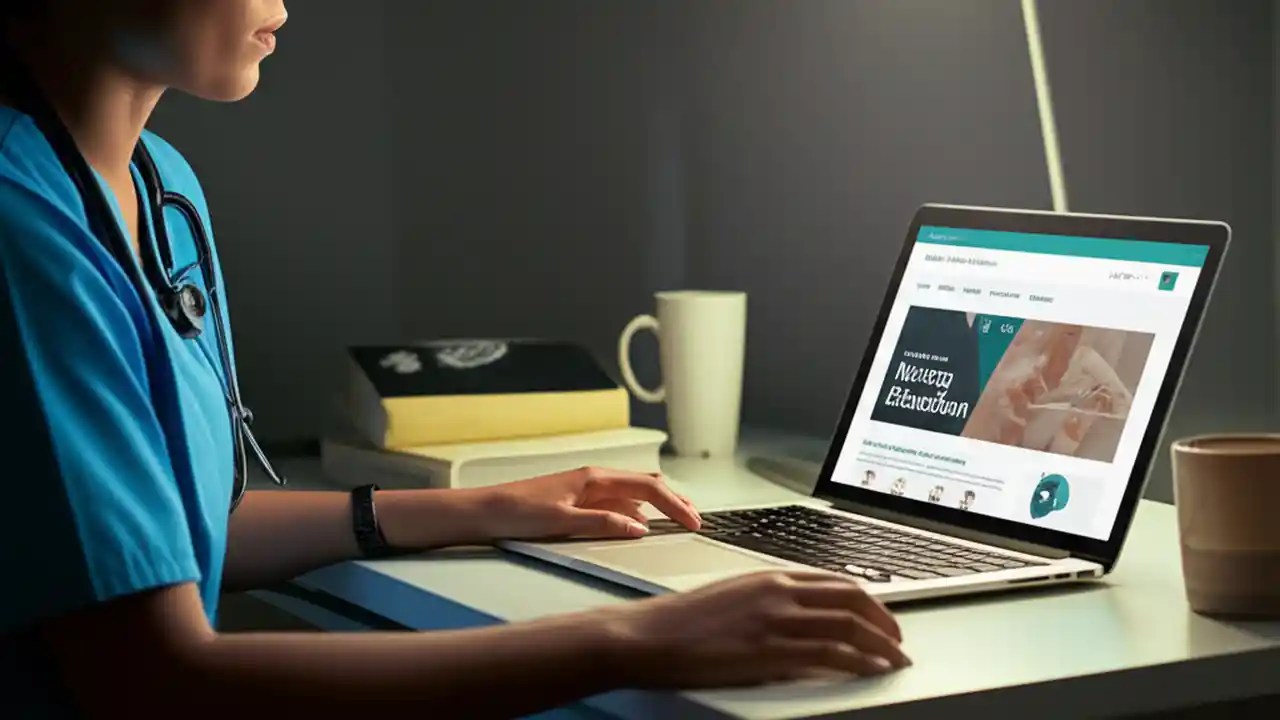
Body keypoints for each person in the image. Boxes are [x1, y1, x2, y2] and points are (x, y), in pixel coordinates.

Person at [0, 1, 909, 716]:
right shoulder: (19, 228)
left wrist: (481, 507)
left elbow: (182, 534)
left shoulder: (163, 187)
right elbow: (155, 684)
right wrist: (634, 640)